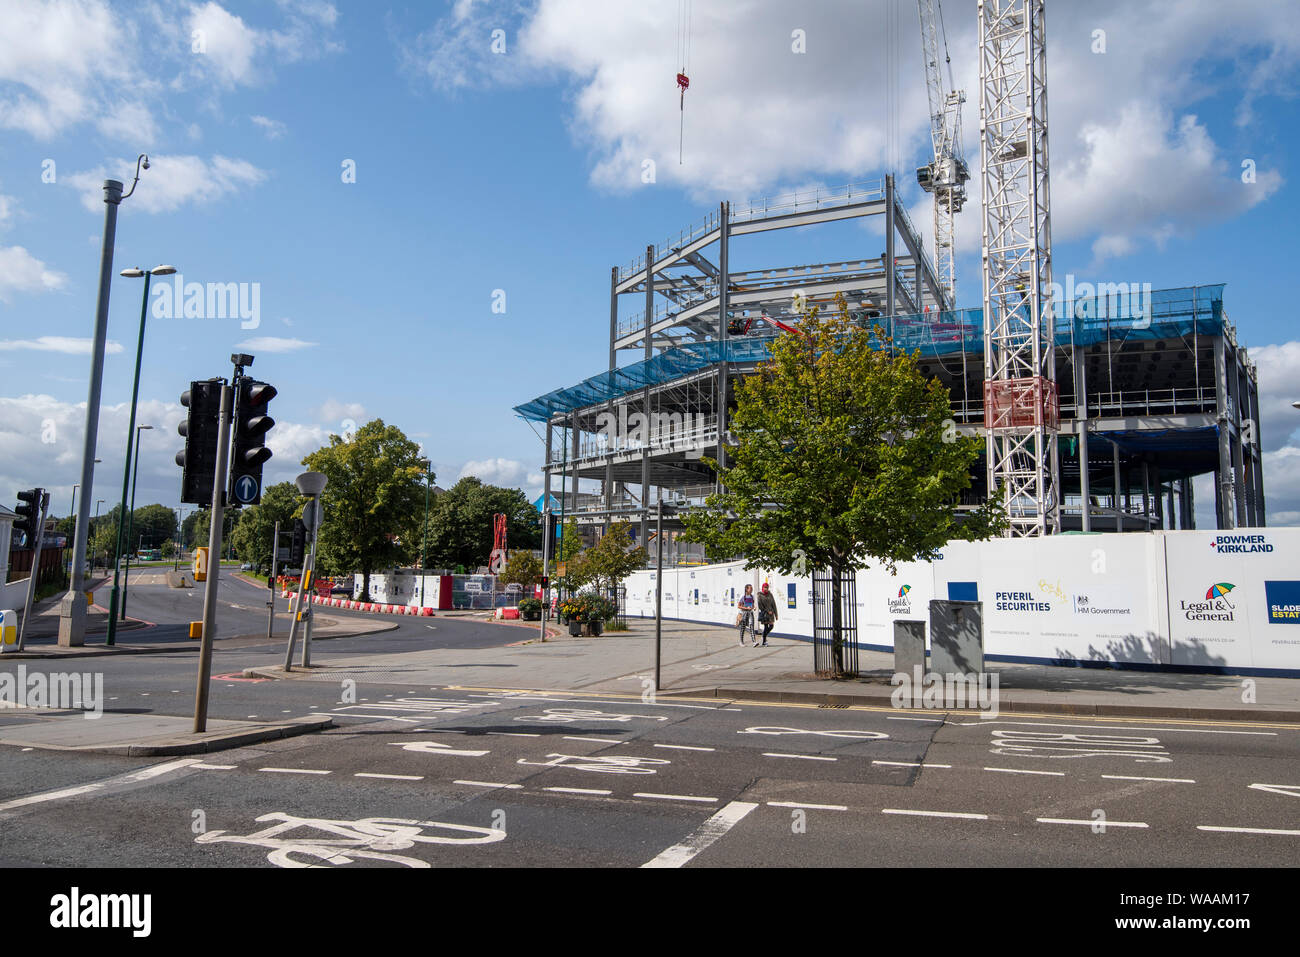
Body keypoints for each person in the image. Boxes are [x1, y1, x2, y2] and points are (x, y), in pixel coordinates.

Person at [756, 582, 778, 646]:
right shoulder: (760, 595)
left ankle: (763, 637)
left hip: (771, 614)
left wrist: (776, 614)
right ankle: (764, 641)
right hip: (765, 613)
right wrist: (767, 611)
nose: (766, 589)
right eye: (764, 587)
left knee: (771, 626)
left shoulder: (770, 594)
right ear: (762, 588)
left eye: (767, 587)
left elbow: (774, 604)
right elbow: (760, 606)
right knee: (766, 627)